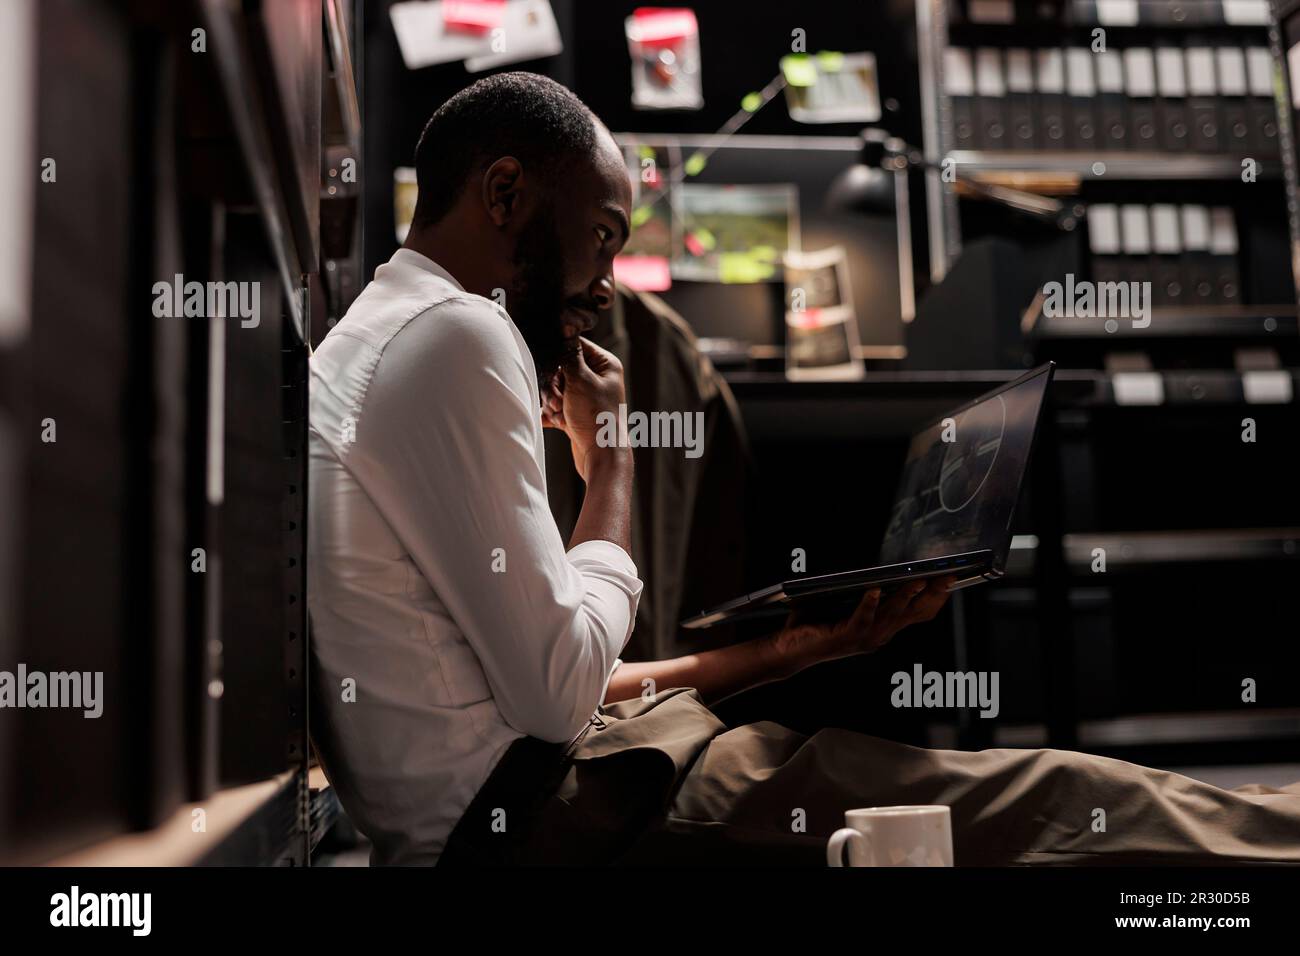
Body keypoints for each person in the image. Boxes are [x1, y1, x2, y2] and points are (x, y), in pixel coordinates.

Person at [307, 72, 1300, 867]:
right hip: (553, 816)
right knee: (1051, 797)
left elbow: (557, 678)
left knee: (1046, 792)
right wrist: (611, 463)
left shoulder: (385, 335)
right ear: (505, 193)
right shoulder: (456, 334)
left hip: (543, 800)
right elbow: (561, 694)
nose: (603, 284)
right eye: (602, 235)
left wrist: (796, 650)